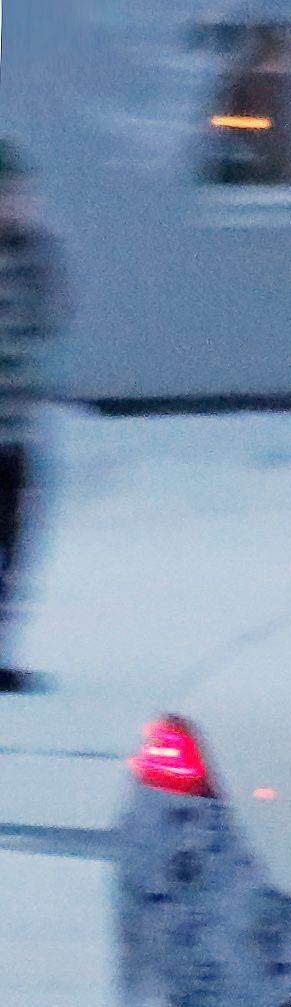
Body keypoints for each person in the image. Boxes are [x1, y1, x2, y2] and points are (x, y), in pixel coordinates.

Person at [0, 144, 64, 692]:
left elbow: (52, 316)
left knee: (12, 547)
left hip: (16, 431)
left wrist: (38, 256)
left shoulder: (32, 255)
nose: (11, 206)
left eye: (16, 196)